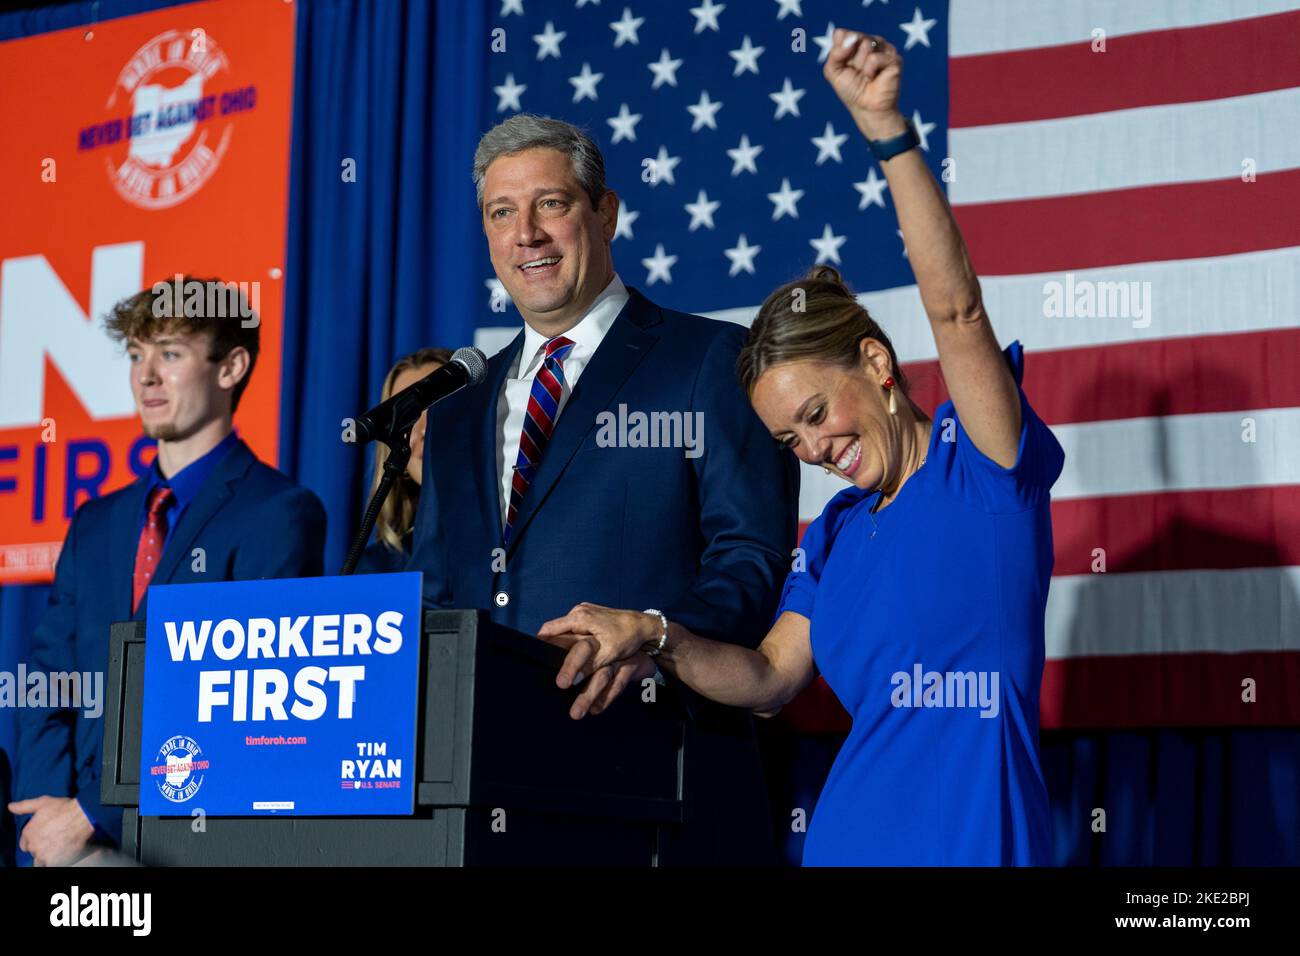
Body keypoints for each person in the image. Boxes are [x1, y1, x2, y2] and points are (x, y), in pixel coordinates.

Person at [539, 30, 1066, 865]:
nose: (814, 449)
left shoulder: (987, 467)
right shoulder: (833, 535)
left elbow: (956, 310)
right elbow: (770, 683)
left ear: (876, 362)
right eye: (790, 438)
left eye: (816, 412)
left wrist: (887, 135)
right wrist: (653, 632)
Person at [405, 113, 800, 863]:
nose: (527, 233)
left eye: (550, 203)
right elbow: (438, 593)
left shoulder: (708, 359)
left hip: (655, 775)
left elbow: (751, 559)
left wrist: (653, 633)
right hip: (486, 799)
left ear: (605, 211)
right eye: (501, 213)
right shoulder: (456, 412)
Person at [9, 278, 327, 865]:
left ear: (230, 367)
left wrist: (92, 817)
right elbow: (50, 680)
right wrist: (46, 813)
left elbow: (252, 704)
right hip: (66, 843)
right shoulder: (97, 522)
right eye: (136, 356)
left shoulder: (279, 514)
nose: (145, 376)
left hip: (191, 837)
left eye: (171, 354)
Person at [354, 347, 452, 573]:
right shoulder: (376, 571)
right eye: (410, 415)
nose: (425, 430)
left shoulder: (511, 548)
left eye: (439, 405)